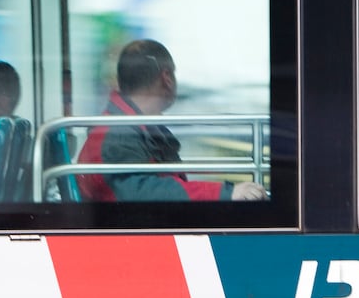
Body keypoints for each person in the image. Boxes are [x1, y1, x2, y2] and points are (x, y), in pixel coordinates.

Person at [78, 39, 266, 201]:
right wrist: (226, 194)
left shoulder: (134, 126)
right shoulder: (117, 134)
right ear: (167, 78)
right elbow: (143, 193)